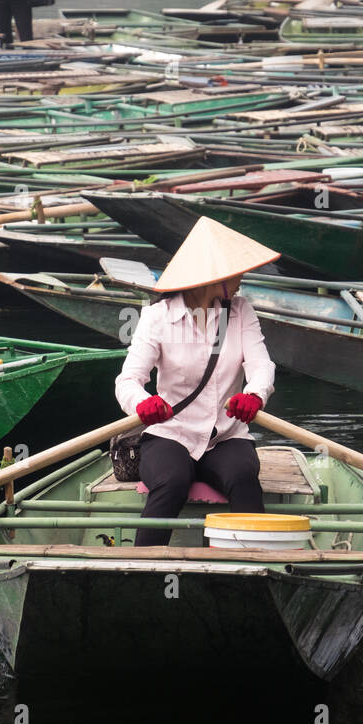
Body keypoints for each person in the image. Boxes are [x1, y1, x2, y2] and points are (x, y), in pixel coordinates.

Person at [115, 218, 280, 546]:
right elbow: (128, 380)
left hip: (226, 435)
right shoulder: (157, 317)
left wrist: (255, 395)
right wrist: (142, 403)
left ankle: (250, 568)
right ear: (213, 279)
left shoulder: (241, 311)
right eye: (236, 273)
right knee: (172, 481)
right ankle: (139, 569)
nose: (241, 281)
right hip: (170, 433)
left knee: (243, 478)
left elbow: (261, 366)